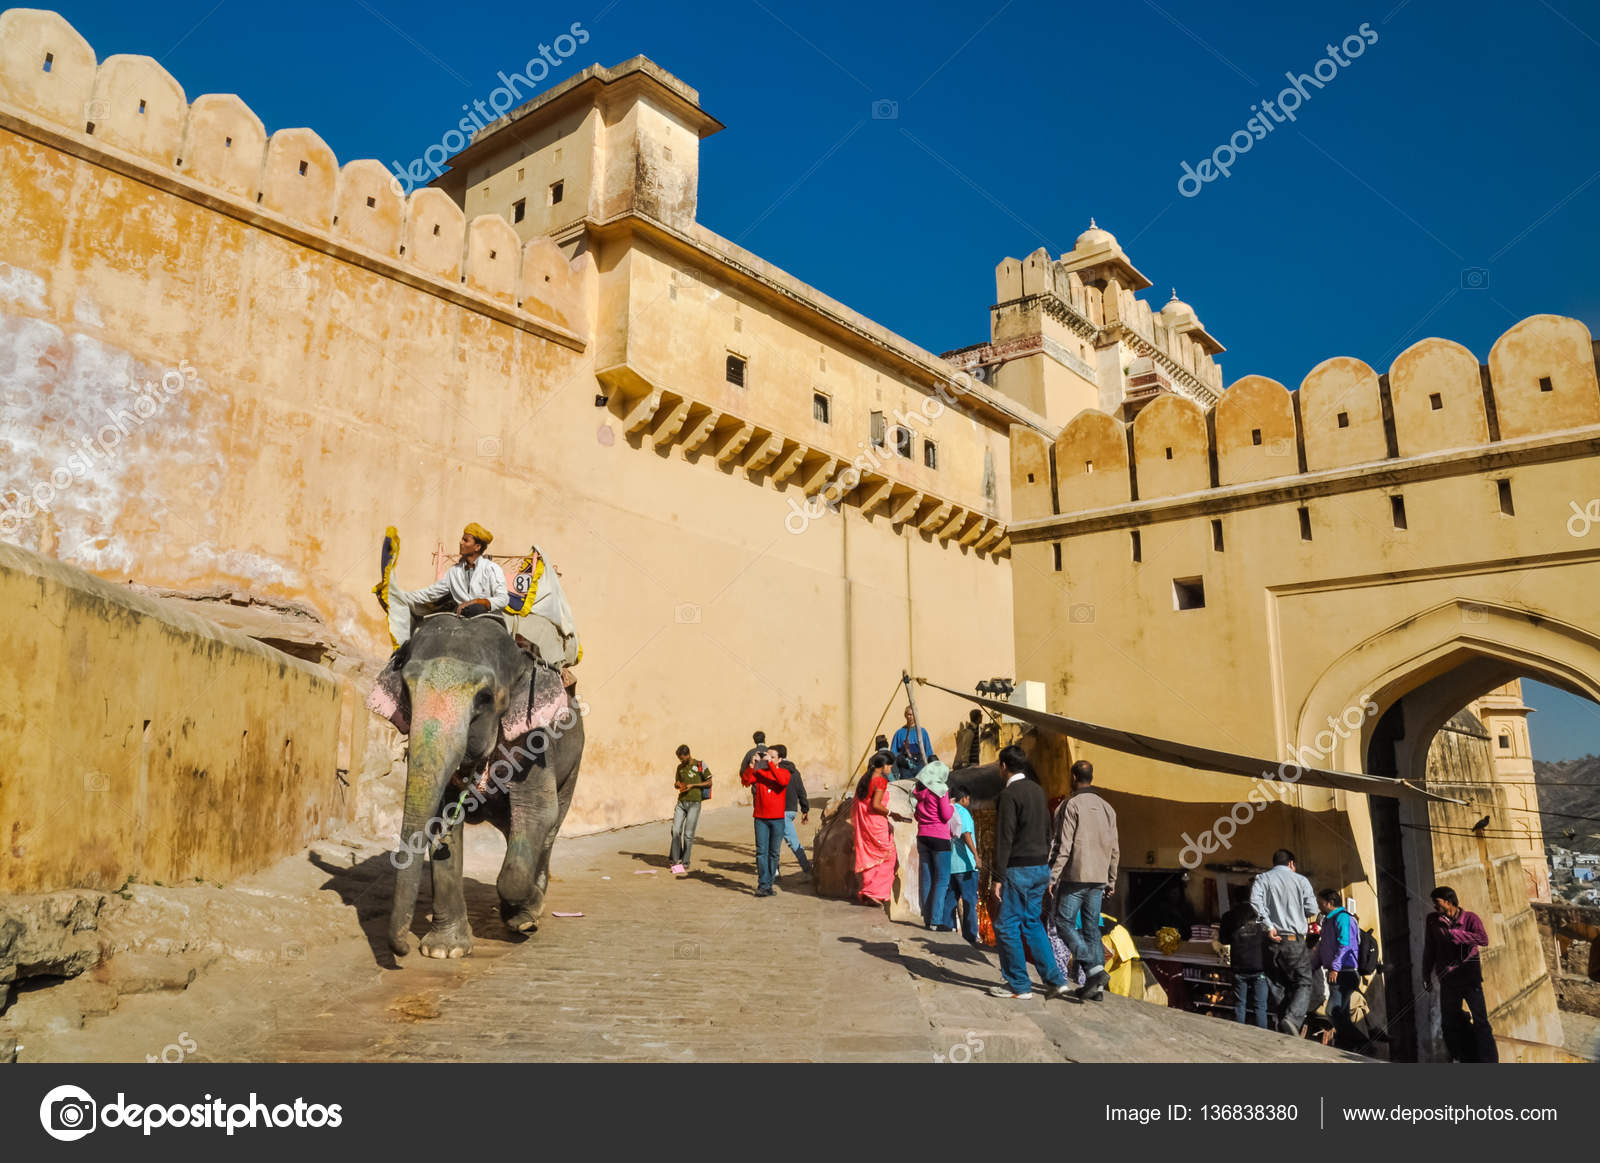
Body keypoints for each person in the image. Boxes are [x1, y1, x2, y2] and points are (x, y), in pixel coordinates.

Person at [988, 745, 1071, 1000]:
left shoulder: (1009, 795)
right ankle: (1056, 980)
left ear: (1003, 766)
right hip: (1039, 868)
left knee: (1006, 925)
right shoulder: (1038, 791)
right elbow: (1049, 832)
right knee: (1032, 922)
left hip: (1018, 869)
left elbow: (1004, 838)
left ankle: (1019, 985)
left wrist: (997, 877)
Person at [1046, 759, 1119, 1001]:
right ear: (1092, 777)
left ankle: (1094, 971)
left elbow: (1062, 845)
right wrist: (1112, 879)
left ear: (1074, 778)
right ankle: (1095, 988)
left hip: (1076, 875)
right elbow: (1114, 848)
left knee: (1064, 923)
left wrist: (1053, 875)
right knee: (1091, 930)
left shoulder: (1070, 805)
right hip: (1099, 877)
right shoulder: (1108, 808)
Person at [1422, 885, 1498, 1063]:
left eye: (1438, 903)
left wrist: (1458, 935)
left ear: (1449, 902)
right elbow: (1430, 949)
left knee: (1481, 1022)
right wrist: (1425, 974)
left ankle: (1489, 1060)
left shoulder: (1471, 919)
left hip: (1470, 981)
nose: (1435, 907)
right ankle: (1458, 1057)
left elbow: (1483, 939)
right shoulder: (1433, 920)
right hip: (1448, 981)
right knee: (1449, 1022)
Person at [1250, 848, 1319, 1036]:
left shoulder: (1262, 879)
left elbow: (1255, 902)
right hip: (1293, 940)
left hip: (1270, 940)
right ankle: (1292, 1019)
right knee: (1304, 981)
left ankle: (1283, 1024)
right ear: (1291, 864)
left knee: (1276, 982)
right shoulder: (1301, 881)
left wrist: (1268, 925)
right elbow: (1312, 909)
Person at [393, 523, 510, 622]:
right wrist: (397, 595)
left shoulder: (492, 569)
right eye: (462, 539)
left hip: (487, 618)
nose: (461, 542)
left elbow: (503, 599)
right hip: (461, 619)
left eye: (466, 540)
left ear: (477, 547)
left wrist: (477, 602)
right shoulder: (453, 572)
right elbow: (430, 593)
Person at [740, 746, 790, 898]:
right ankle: (763, 884)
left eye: (772, 757)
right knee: (761, 852)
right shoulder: (759, 773)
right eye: (767, 756)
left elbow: (782, 781)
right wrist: (751, 765)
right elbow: (746, 781)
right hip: (761, 818)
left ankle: (769, 883)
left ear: (780, 760)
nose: (768, 759)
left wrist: (771, 765)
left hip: (777, 819)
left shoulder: (784, 772)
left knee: (774, 853)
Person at [1316, 889, 1363, 1051]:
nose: (1319, 905)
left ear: (1330, 903)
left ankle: (1362, 1042)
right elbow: (1325, 947)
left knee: (1332, 1011)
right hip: (1338, 971)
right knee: (1342, 1015)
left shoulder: (1342, 918)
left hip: (1345, 972)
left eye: (1320, 902)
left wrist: (1335, 967)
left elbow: (1345, 945)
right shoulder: (1328, 921)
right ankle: (1350, 1046)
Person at [913, 761, 955, 930]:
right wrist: (951, 805)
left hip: (922, 836)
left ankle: (927, 918)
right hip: (939, 837)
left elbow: (917, 815)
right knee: (942, 879)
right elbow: (945, 815)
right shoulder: (941, 790)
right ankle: (936, 920)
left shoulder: (919, 791)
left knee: (927, 878)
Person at [853, 751, 897, 906]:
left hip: (866, 823)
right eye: (890, 765)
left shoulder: (864, 779)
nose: (891, 768)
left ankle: (868, 890)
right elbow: (876, 805)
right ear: (883, 766)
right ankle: (875, 892)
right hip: (876, 823)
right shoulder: (880, 781)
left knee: (870, 856)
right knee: (888, 857)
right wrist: (892, 813)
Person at [1220, 897, 1270, 1028]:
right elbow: (1270, 937)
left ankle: (1239, 1034)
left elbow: (1223, 940)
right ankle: (1262, 1036)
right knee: (1260, 1006)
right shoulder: (1261, 918)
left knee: (1239, 1004)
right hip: (1259, 968)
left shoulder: (1228, 917)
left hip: (1239, 967)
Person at [942, 786, 980, 942]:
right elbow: (966, 834)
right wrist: (976, 856)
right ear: (964, 798)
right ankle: (970, 936)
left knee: (951, 898)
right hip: (965, 865)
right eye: (968, 799)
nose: (969, 802)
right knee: (970, 900)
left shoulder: (948, 810)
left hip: (951, 865)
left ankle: (946, 932)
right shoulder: (962, 812)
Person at [668, 745, 710, 876]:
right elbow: (676, 782)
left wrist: (694, 785)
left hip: (694, 803)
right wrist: (677, 785)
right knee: (675, 831)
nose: (681, 761)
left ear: (688, 754)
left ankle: (685, 861)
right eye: (679, 759)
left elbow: (709, 782)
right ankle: (675, 860)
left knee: (688, 834)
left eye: (683, 758)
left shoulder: (700, 765)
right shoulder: (679, 767)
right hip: (681, 802)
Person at [774, 744, 812, 877]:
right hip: (791, 809)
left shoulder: (775, 770)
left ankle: (805, 866)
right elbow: (801, 791)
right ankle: (776, 869)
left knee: (785, 841)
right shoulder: (794, 771)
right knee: (783, 840)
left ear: (778, 757)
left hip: (780, 810)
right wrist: (804, 809)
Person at [890, 706, 935, 780]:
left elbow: (928, 750)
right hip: (905, 767)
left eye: (913, 714)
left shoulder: (922, 732)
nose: (911, 717)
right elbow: (894, 752)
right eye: (909, 714)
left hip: (920, 765)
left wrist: (929, 766)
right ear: (905, 715)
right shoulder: (899, 733)